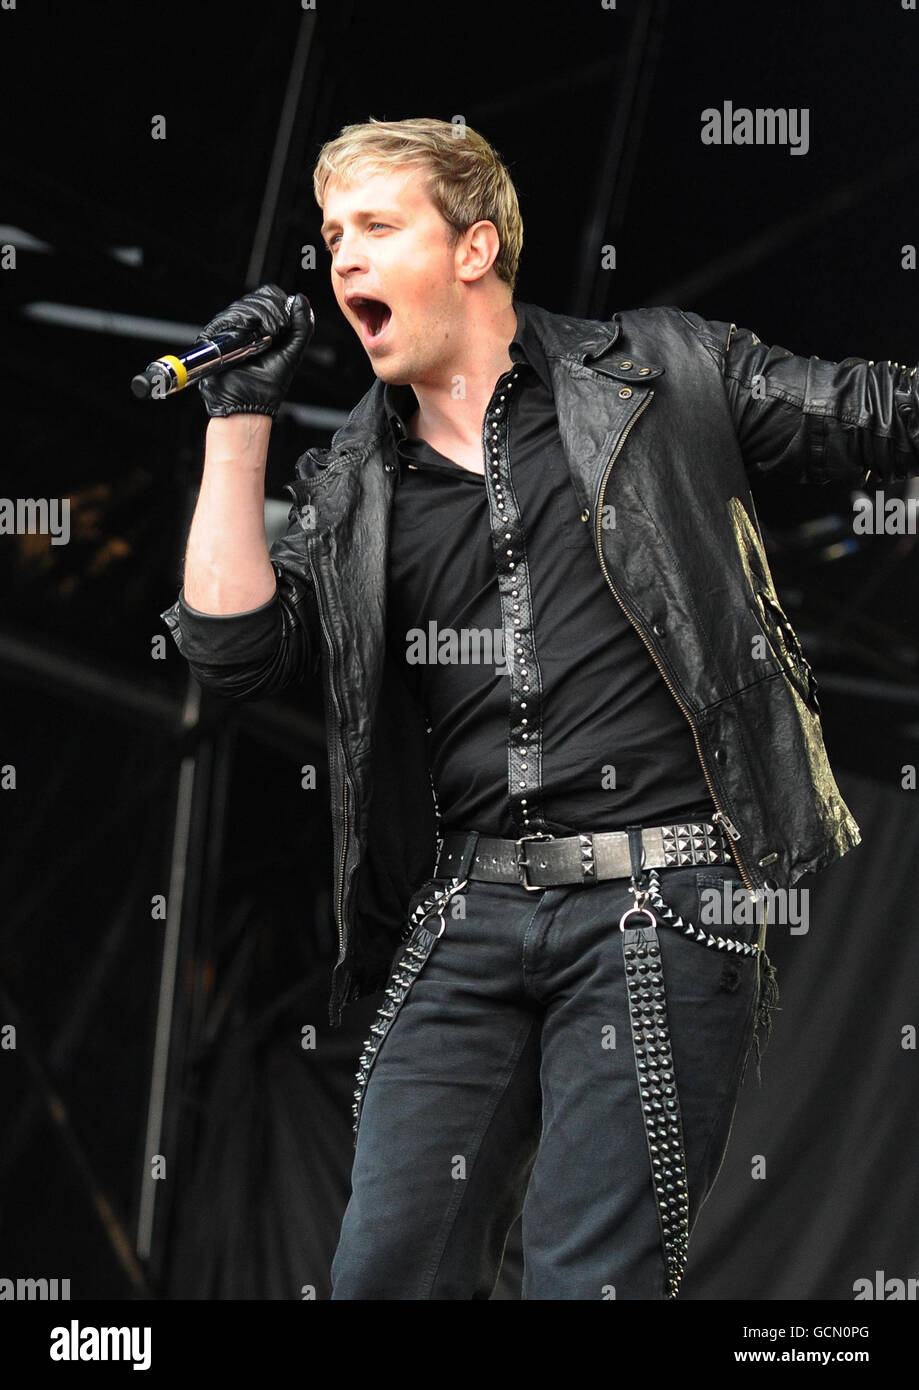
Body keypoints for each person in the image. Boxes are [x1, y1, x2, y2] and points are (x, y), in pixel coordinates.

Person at [160, 116, 917, 1300]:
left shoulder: (662, 373)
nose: (340, 259)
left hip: (662, 902)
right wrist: (236, 415)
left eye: (374, 226)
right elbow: (232, 646)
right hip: (468, 911)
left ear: (472, 249)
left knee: (584, 1279)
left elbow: (869, 410)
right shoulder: (355, 484)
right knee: (383, 1269)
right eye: (329, 236)